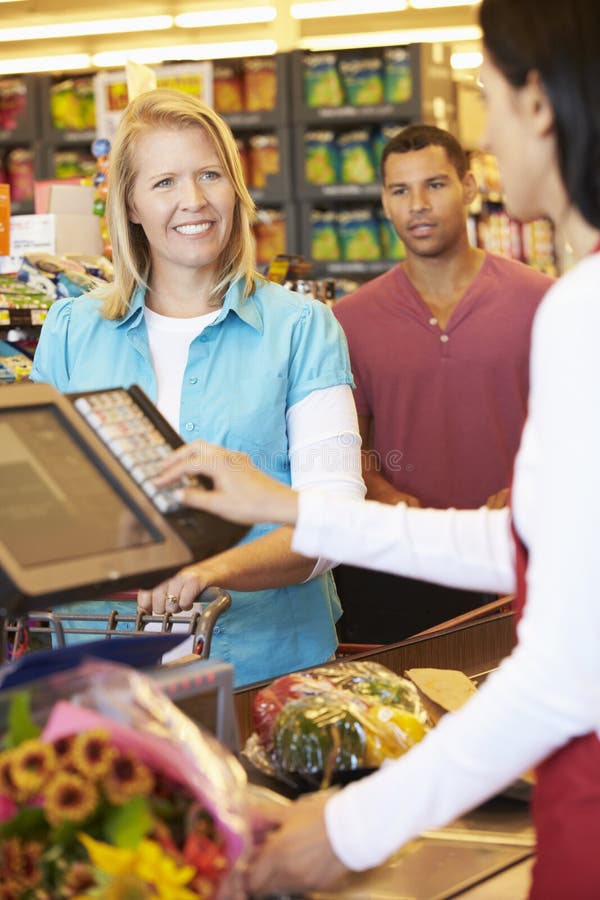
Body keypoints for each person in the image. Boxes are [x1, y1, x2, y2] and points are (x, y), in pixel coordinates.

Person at [151, 0, 600, 893]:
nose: (488, 127)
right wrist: (286, 505)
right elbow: (527, 547)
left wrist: (349, 830)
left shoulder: (576, 312)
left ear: (538, 103)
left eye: (488, 93)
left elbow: (561, 674)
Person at [30, 88, 365, 688]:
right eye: (164, 182)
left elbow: (334, 520)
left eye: (210, 174)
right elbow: (34, 500)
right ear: (130, 205)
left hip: (265, 673)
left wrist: (211, 570)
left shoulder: (302, 328)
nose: (194, 200)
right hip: (101, 673)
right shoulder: (71, 330)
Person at [332, 124, 553, 643]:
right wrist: (382, 492)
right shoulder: (348, 319)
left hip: (522, 551)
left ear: (468, 187)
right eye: (400, 190)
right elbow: (346, 442)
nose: (418, 205)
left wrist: (532, 488)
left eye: (434, 184)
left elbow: (576, 427)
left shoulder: (542, 300)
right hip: (401, 564)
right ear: (385, 202)